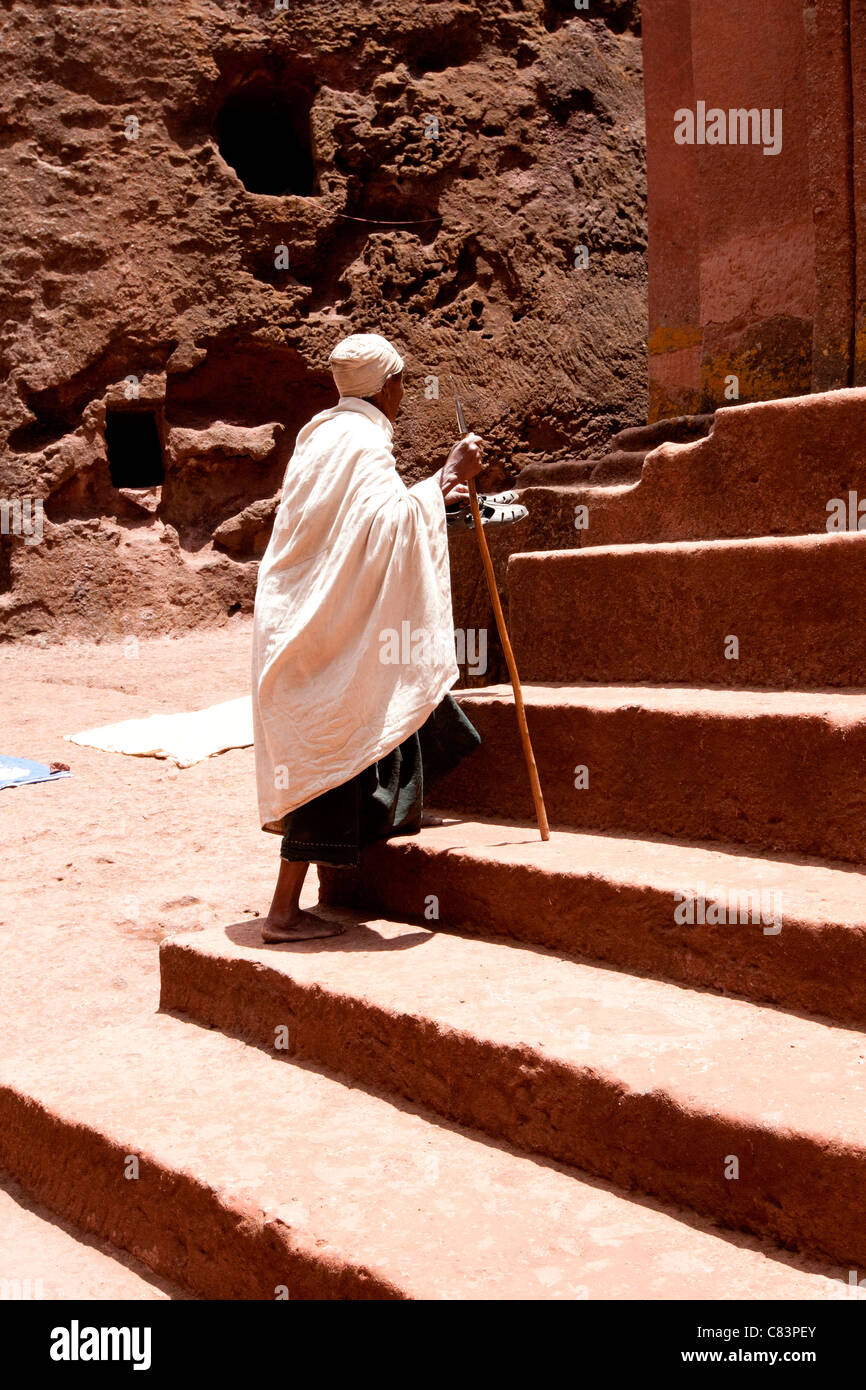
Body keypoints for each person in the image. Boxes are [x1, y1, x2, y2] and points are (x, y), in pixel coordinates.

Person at [251, 332, 485, 942]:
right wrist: (445, 478)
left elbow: (357, 530)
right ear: (389, 385)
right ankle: (281, 913)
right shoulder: (360, 444)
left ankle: (385, 817)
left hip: (304, 616)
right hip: (323, 625)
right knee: (328, 753)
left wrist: (434, 495)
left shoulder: (323, 435)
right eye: (403, 380)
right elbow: (385, 530)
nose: (404, 391)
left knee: (388, 704)